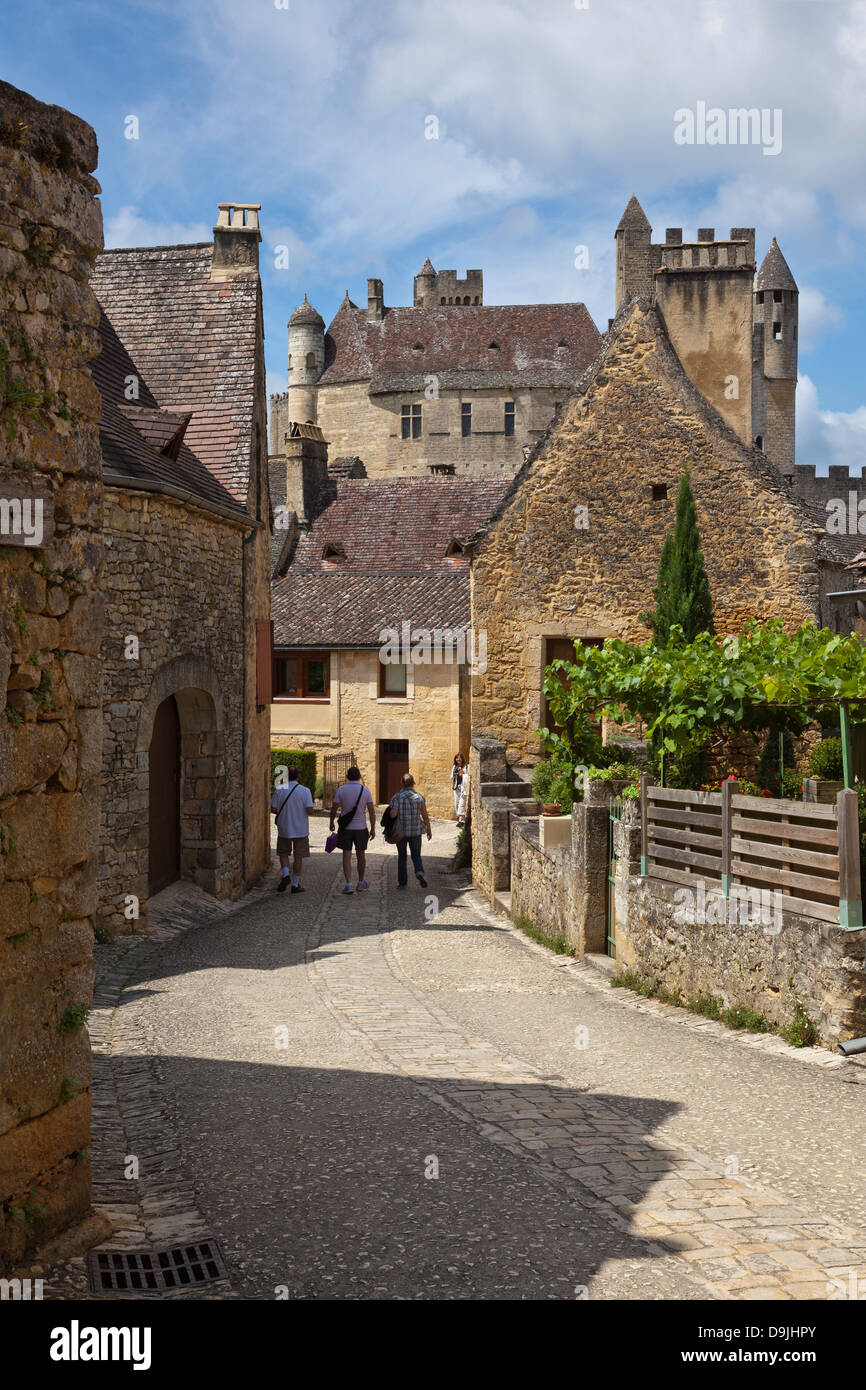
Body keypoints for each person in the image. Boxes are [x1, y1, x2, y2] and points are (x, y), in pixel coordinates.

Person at [330, 766, 376, 895]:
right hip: (361, 827)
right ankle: (361, 882)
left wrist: (331, 822)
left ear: (347, 776)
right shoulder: (365, 791)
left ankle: (348, 884)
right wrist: (372, 828)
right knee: (361, 855)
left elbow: (334, 808)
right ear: (359, 776)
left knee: (346, 855)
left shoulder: (341, 790)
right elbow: (372, 812)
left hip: (346, 828)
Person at [270, 766, 314, 894]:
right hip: (300, 829)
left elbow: (273, 809)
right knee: (298, 857)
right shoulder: (305, 791)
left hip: (284, 827)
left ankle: (285, 875)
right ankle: (295, 885)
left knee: (283, 853)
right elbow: (309, 810)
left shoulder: (279, 790)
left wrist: (285, 813)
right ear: (298, 776)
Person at [388, 772, 432, 889]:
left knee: (402, 856)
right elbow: (425, 815)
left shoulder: (396, 797)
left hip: (401, 832)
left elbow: (393, 814)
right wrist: (429, 829)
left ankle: (402, 883)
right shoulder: (419, 797)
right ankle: (418, 871)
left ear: (402, 783)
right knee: (416, 855)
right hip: (416, 831)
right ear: (413, 783)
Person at [451, 753, 469, 826]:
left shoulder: (467, 766)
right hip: (456, 787)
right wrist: (454, 774)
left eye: (460, 758)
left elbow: (469, 776)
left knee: (462, 803)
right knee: (457, 803)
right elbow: (451, 777)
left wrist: (463, 774)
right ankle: (460, 819)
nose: (458, 759)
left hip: (463, 788)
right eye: (457, 758)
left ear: (462, 759)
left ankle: (462, 821)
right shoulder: (454, 767)